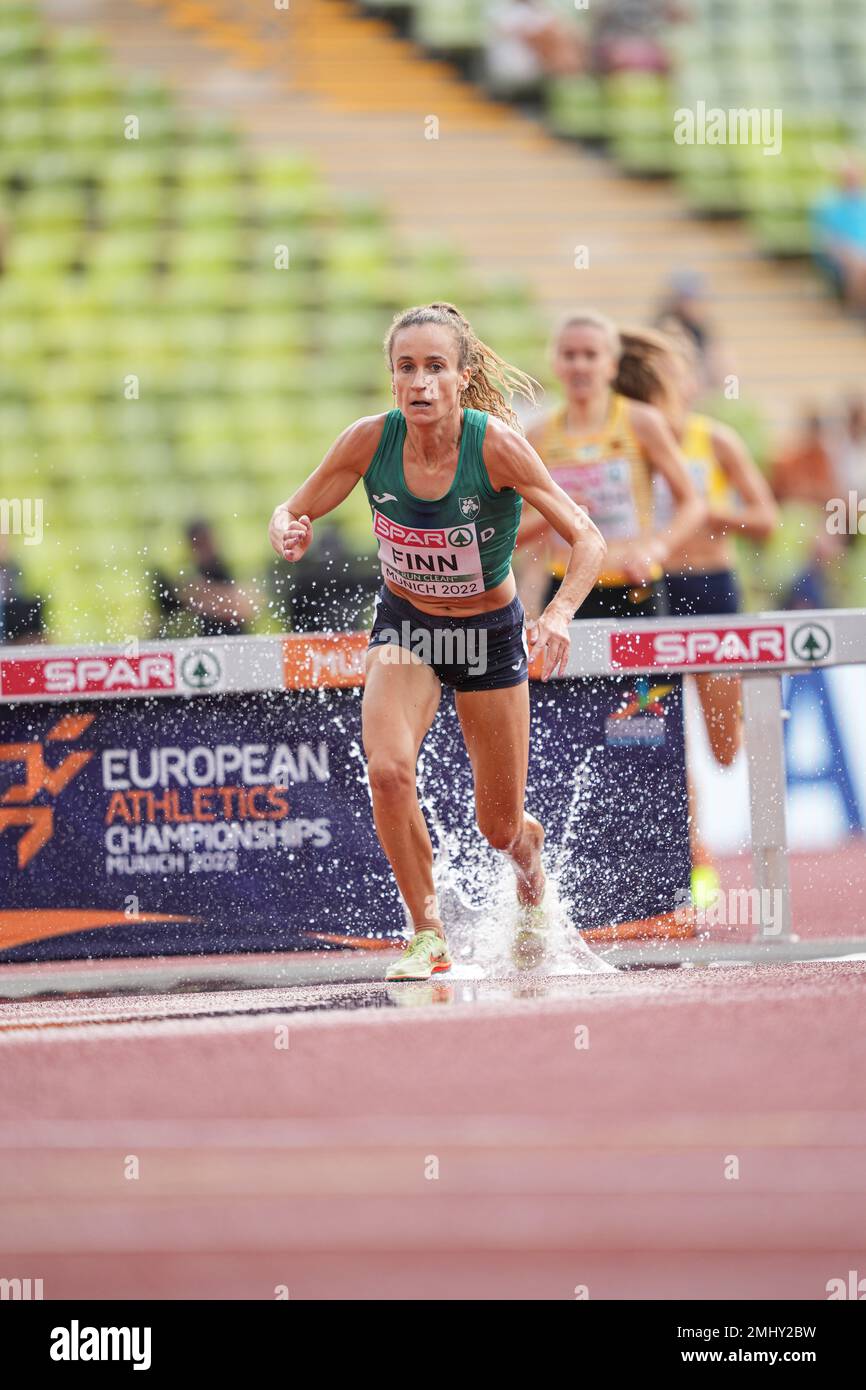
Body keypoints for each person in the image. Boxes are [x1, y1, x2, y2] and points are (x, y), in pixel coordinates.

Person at [268, 301, 606, 979]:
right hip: (408, 628)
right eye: (405, 368)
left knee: (499, 828)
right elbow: (293, 506)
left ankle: (530, 865)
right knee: (389, 771)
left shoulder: (498, 448)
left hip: (487, 637)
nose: (419, 383)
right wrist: (287, 527)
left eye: (434, 368)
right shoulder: (368, 441)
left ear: (461, 376)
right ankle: (428, 935)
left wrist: (562, 611)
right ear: (392, 378)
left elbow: (586, 536)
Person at [614, 326, 779, 899]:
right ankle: (692, 854)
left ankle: (749, 717)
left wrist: (702, 507)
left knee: (724, 748)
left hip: (712, 590)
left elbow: (766, 520)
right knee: (654, 734)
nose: (681, 389)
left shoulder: (717, 441)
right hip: (649, 594)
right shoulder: (629, 440)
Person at [515, 309, 704, 625]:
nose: (580, 365)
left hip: (635, 586)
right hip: (567, 594)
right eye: (570, 355)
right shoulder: (538, 436)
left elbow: (693, 503)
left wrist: (656, 548)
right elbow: (512, 533)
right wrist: (560, 514)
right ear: (555, 364)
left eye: (591, 355)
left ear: (611, 365)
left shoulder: (641, 422)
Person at [153, 518, 260, 638]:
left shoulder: (226, 568)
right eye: (199, 544)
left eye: (207, 542)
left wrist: (205, 595)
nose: (206, 549)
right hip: (201, 644)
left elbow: (247, 607)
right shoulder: (185, 575)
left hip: (234, 640)